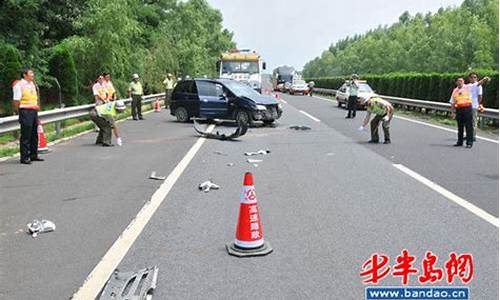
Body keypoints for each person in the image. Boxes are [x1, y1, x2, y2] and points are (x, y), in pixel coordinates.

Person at [12, 68, 44, 164]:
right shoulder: (19, 85)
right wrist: (20, 111)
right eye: (31, 73)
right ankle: (24, 157)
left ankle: (33, 155)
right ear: (24, 75)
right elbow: (16, 100)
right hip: (25, 111)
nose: (33, 74)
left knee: (34, 134)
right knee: (26, 134)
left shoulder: (32, 84)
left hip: (33, 110)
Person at [449, 76, 490, 148]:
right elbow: (452, 102)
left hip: (467, 108)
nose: (460, 82)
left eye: (461, 81)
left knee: (469, 126)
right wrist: (453, 112)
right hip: (459, 109)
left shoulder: (468, 87)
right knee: (460, 126)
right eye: (459, 81)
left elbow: (478, 84)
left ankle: (469, 142)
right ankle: (460, 142)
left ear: (464, 82)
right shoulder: (455, 90)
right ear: (456, 82)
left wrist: (484, 79)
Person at [467, 72, 483, 141]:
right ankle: (468, 135)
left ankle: (473, 136)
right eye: (472, 77)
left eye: (475, 77)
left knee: (473, 121)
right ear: (469, 78)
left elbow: (480, 96)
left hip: (474, 106)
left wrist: (478, 104)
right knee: (467, 121)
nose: (473, 78)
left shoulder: (478, 85)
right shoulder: (468, 86)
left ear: (477, 78)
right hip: (467, 105)